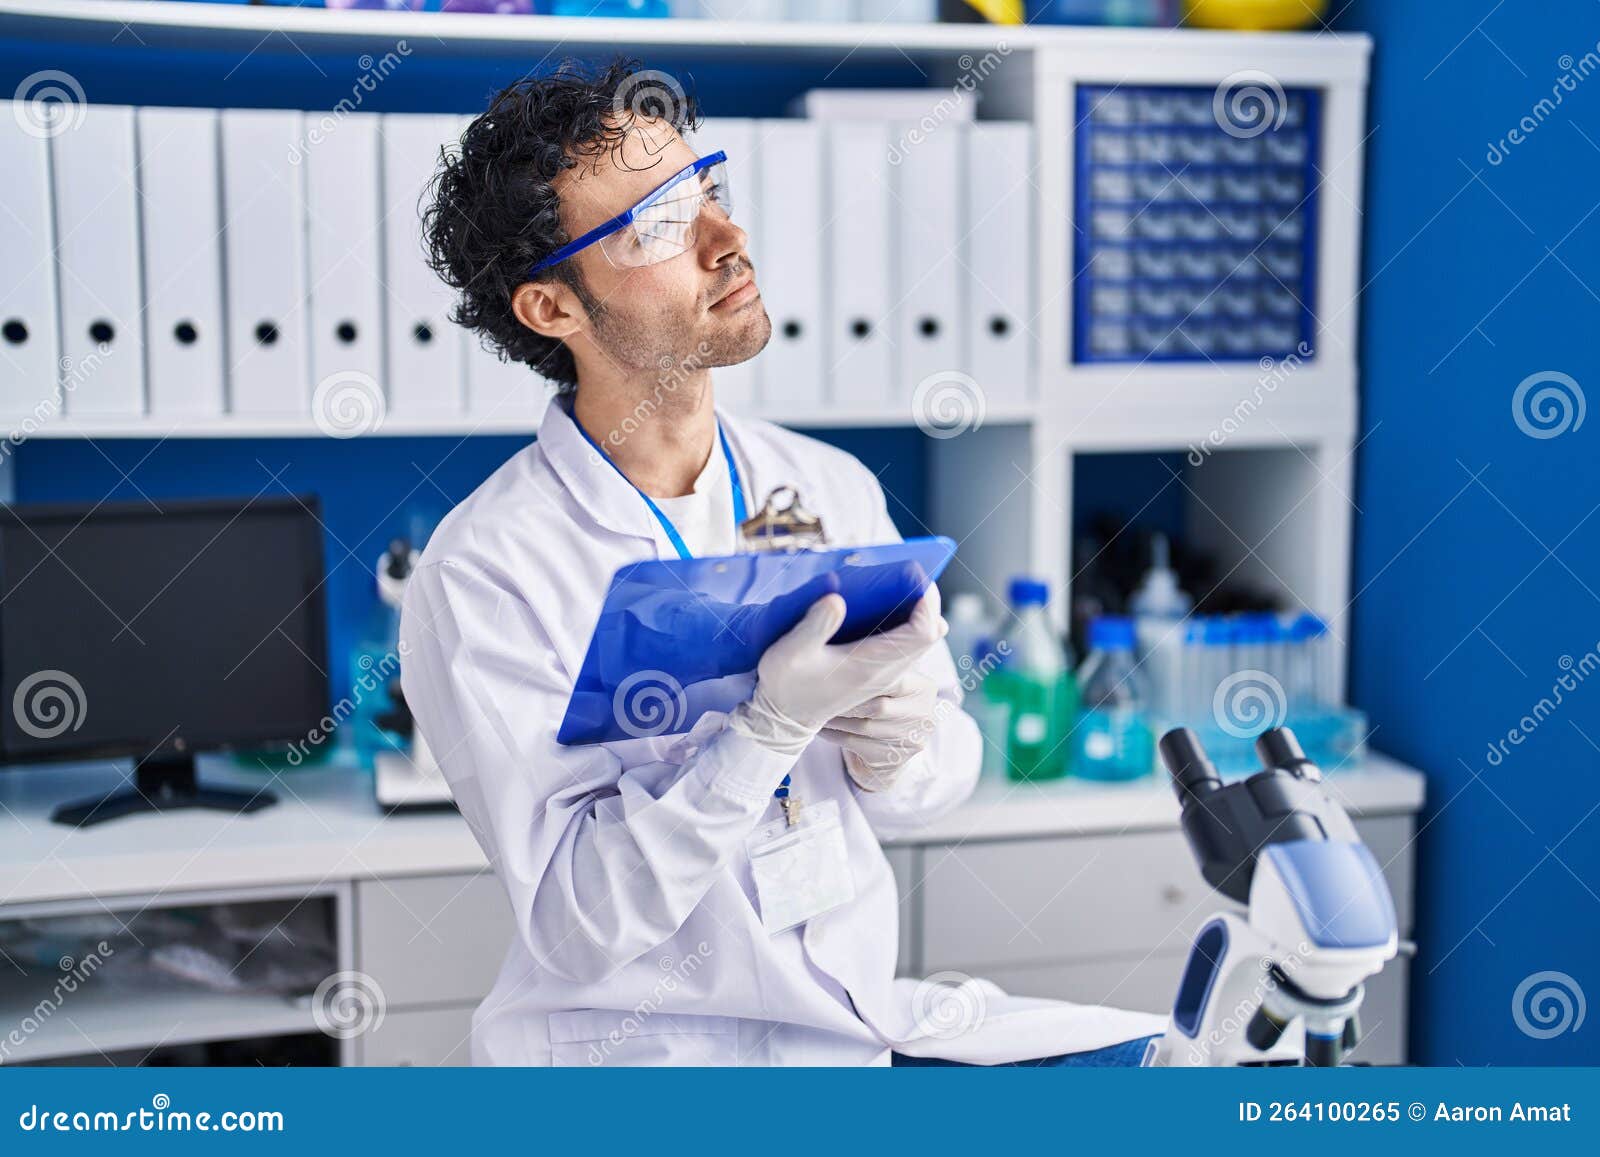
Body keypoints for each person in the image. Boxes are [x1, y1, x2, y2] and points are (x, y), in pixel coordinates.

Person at [400, 59, 1162, 1066]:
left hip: (845, 1038)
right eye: (658, 225)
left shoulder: (824, 485)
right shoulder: (487, 569)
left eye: (708, 189)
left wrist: (897, 738)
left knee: (1174, 1058)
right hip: (638, 1063)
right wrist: (764, 731)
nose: (727, 238)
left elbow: (937, 781)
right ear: (552, 309)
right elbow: (580, 922)